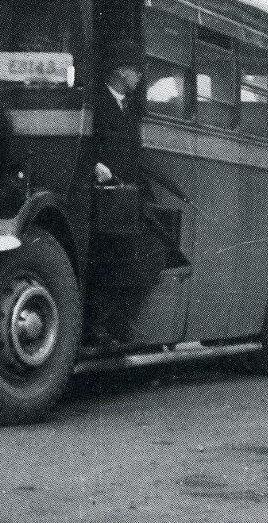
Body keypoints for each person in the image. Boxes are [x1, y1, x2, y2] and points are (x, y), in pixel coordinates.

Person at [88, 41, 186, 348]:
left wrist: (167, 188)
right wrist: (95, 166)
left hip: (128, 195)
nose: (140, 77)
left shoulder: (129, 108)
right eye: (136, 71)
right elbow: (85, 144)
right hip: (103, 195)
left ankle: (119, 324)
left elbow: (136, 156)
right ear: (120, 71)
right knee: (111, 258)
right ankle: (101, 327)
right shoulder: (96, 103)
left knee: (154, 250)